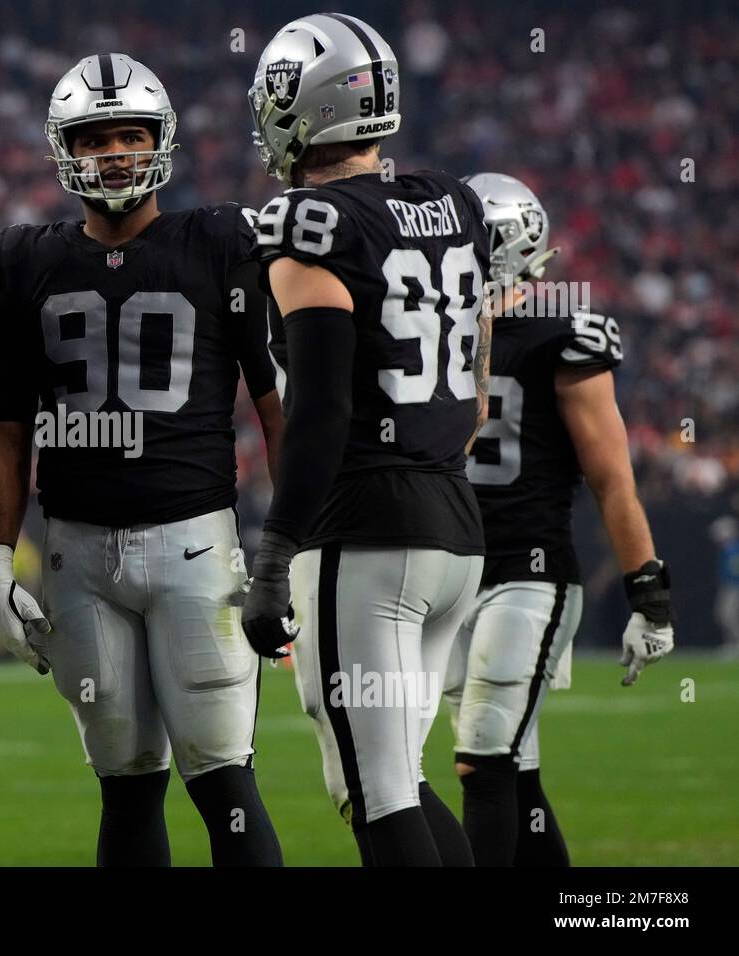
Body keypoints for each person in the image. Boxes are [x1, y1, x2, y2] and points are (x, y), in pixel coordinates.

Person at [0, 53, 285, 866]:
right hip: (77, 552)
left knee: (223, 781)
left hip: (195, 544)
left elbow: (278, 404)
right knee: (126, 782)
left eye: (129, 134)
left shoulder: (221, 242)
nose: (113, 152)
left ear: (161, 140)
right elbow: (3, 425)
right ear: (63, 150)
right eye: (95, 138)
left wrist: (298, 545)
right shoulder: (29, 260)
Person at [242, 13, 491, 866]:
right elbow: (477, 387)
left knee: (374, 791)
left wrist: (274, 553)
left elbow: (320, 409)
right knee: (398, 779)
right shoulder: (454, 203)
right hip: (455, 527)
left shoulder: (308, 221)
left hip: (367, 533)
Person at [444, 173, 675, 866]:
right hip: (450, 571)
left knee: (482, 761)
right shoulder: (431, 333)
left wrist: (649, 594)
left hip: (530, 573)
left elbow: (612, 478)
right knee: (516, 771)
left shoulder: (561, 335)